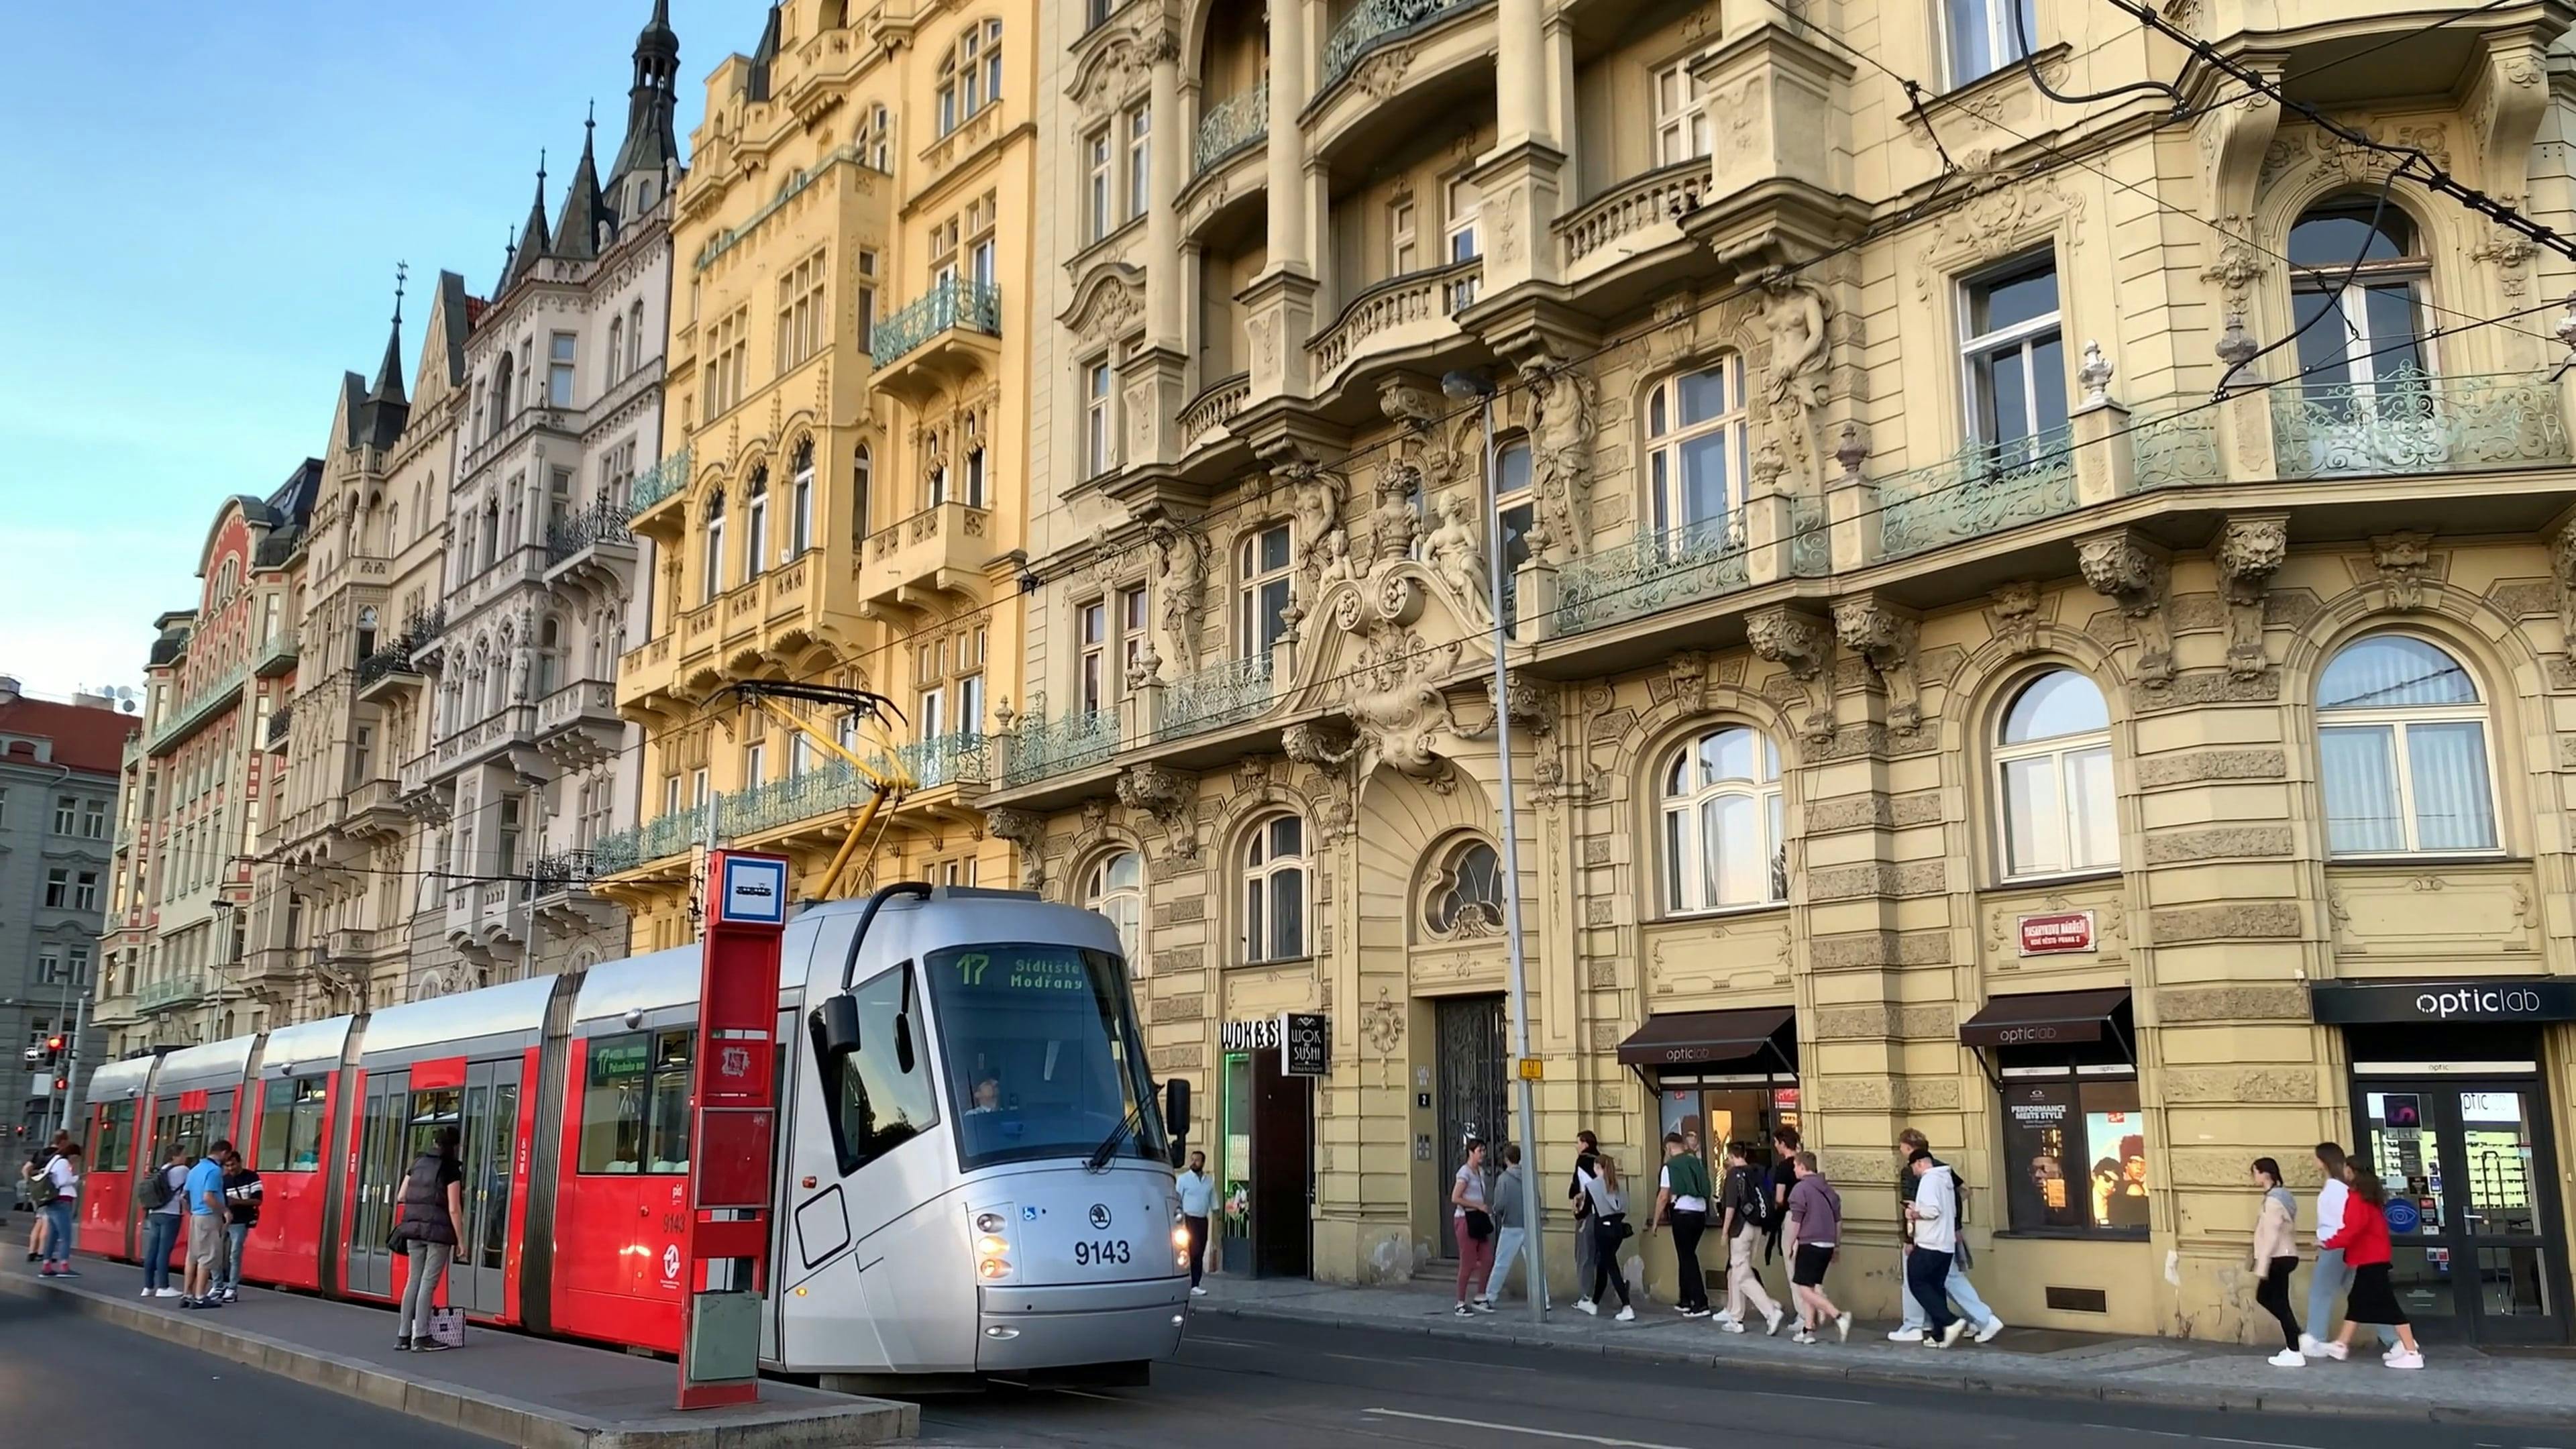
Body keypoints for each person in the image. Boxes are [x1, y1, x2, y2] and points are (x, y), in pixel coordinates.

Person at [1890, 1128, 2003, 1344]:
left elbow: (1921, 1208)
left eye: (1902, 1148)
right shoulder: (1943, 1169)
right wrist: (1954, 1223)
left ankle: (1920, 1325)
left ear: (1908, 1148)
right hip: (1948, 1235)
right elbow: (1964, 1192)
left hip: (1929, 1239)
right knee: (1944, 1281)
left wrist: (1909, 1236)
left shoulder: (1915, 1173)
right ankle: (1948, 1328)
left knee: (1922, 1281)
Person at [2318, 1169, 2424, 1369]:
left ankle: (2411, 1351)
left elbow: (2352, 1229)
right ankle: (2341, 1344)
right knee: (2357, 1302)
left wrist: (2329, 1242)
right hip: (2373, 1259)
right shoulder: (2371, 1200)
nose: (2344, 1173)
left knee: (2390, 1308)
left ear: (2353, 1174)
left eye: (2347, 1170)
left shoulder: (2357, 1200)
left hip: (2370, 1260)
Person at [2304, 1141, 2394, 1356]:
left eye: (2316, 1158)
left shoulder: (2334, 1190)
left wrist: (2328, 1242)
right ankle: (2394, 1338)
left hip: (2335, 1246)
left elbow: (2342, 1223)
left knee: (2321, 1292)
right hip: (2346, 1247)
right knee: (2364, 1295)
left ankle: (2315, 1338)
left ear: (2322, 1161)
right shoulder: (2344, 1189)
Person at [391, 1126, 466, 1352]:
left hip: (413, 1231)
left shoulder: (417, 1162)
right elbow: (454, 1208)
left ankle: (403, 1335)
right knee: (428, 1283)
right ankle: (421, 1336)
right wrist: (461, 1241)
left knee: (413, 1280)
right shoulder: (451, 1168)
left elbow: (401, 1195)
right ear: (453, 1146)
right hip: (438, 1234)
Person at [1904, 1143, 1970, 1348]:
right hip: (1946, 1244)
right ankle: (1939, 1333)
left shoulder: (1930, 1180)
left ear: (1921, 1163)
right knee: (1936, 1287)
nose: (1913, 1172)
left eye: (1914, 1167)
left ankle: (1951, 1322)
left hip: (1930, 1243)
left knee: (1917, 1282)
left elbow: (1933, 1211)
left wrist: (1914, 1213)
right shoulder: (1945, 1180)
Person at [1716, 1140, 1784, 1335]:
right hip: (1757, 1227)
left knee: (1742, 1274)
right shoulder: (1755, 1171)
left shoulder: (1732, 1175)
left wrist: (1724, 1231)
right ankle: (1736, 1319)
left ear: (1729, 1156)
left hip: (1740, 1228)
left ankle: (1771, 1311)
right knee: (1739, 1272)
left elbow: (1730, 1206)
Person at [1786, 1151, 1851, 1344]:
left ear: (1803, 1167)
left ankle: (1839, 1316)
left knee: (1803, 1289)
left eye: (1796, 1166)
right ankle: (1808, 1329)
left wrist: (1789, 1244)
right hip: (1827, 1243)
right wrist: (1836, 1246)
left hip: (1809, 1243)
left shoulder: (1800, 1190)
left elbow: (1796, 1221)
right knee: (1810, 1286)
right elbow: (1838, 1221)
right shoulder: (1829, 1191)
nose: (1794, 1170)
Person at [1650, 1132, 1713, 1319]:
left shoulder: (1670, 1167)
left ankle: (1700, 1303)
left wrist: (1655, 1221)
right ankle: (1685, 1300)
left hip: (1683, 1214)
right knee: (1687, 1255)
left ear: (1669, 1147)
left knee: (1687, 1258)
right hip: (1700, 1214)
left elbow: (1663, 1196)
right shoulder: (1696, 1162)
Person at [2249, 1158, 2304, 1368]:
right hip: (2285, 1255)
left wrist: (2262, 1265)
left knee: (2266, 1297)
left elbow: (2271, 1236)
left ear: (2265, 1174)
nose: (2253, 1176)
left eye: (2255, 1172)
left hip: (2277, 1257)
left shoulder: (2273, 1201)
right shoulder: (2282, 1196)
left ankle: (2295, 1345)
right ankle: (2294, 1343)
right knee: (2280, 1301)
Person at [1574, 1154, 1635, 1321]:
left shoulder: (1592, 1186)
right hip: (1618, 1229)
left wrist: (1576, 1211)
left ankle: (1627, 1306)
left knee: (1611, 1266)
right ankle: (1594, 1304)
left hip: (1602, 1228)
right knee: (1603, 1264)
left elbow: (1585, 1211)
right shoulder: (1618, 1185)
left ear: (1597, 1167)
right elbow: (1623, 1209)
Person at [1483, 1143, 1540, 1308]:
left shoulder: (1504, 1178)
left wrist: (1494, 1211)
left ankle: (1490, 1296)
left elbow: (1500, 1203)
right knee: (1535, 1264)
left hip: (1511, 1225)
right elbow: (1537, 1198)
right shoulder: (1530, 1176)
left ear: (1506, 1159)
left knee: (1501, 1262)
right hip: (1529, 1225)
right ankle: (1544, 1299)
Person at [179, 1138, 230, 1307]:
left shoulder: (195, 1169)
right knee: (207, 1257)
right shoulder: (214, 1171)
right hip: (209, 1217)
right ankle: (200, 1297)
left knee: (192, 1257)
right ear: (224, 1153)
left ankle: (187, 1295)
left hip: (195, 1217)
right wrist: (225, 1211)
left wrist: (192, 1211)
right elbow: (208, 1197)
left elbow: (183, 1196)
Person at [1450, 1138, 1495, 1316]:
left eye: (1484, 1150)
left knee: (1487, 1259)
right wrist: (1477, 1206)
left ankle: (1480, 1296)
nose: (1483, 1154)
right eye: (1480, 1151)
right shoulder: (1465, 1173)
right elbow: (1455, 1197)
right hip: (1465, 1219)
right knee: (1467, 1262)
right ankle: (1460, 1302)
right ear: (1471, 1152)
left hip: (1479, 1219)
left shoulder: (1480, 1172)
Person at [140, 1144, 189, 1299]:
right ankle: (163, 1287)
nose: (186, 1158)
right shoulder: (183, 1171)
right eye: (183, 1154)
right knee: (164, 1251)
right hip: (171, 1213)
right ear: (174, 1157)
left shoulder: (162, 1170)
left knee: (152, 1250)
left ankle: (148, 1287)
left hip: (154, 1212)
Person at [219, 1148, 262, 1303]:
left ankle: (232, 1288)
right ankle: (218, 1286)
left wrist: (236, 1202)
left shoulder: (251, 1177)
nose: (231, 1169)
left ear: (239, 1162)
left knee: (234, 1255)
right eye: (228, 1166)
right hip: (224, 1221)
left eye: (233, 1165)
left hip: (240, 1221)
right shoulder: (224, 1180)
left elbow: (258, 1200)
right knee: (217, 1254)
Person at [34, 1140, 79, 1277]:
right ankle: (64, 1266)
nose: (76, 1160)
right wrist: (76, 1178)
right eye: (76, 1157)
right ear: (72, 1154)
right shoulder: (63, 1163)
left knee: (53, 1236)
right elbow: (63, 1181)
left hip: (52, 1202)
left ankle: (47, 1266)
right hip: (61, 1202)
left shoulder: (54, 1160)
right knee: (66, 1236)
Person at [1175, 1150, 1214, 1295]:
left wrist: (1217, 1216)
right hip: (1188, 1219)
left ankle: (1195, 1284)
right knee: (1191, 1250)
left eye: (1197, 1160)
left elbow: (1213, 1201)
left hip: (1202, 1220)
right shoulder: (1183, 1179)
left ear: (1203, 1163)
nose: (1194, 1162)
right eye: (1192, 1160)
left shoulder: (1208, 1181)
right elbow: (1177, 1199)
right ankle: (1188, 1282)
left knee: (1200, 1251)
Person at [1569, 1130, 1601, 1299]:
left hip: (1588, 1215)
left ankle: (1586, 1296)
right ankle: (1605, 1292)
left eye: (1578, 1142)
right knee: (1601, 1256)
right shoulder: (1601, 1161)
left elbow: (1588, 1189)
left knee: (1584, 1256)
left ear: (1586, 1144)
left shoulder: (1583, 1162)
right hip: (1604, 1214)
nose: (1576, 1146)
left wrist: (1580, 1212)